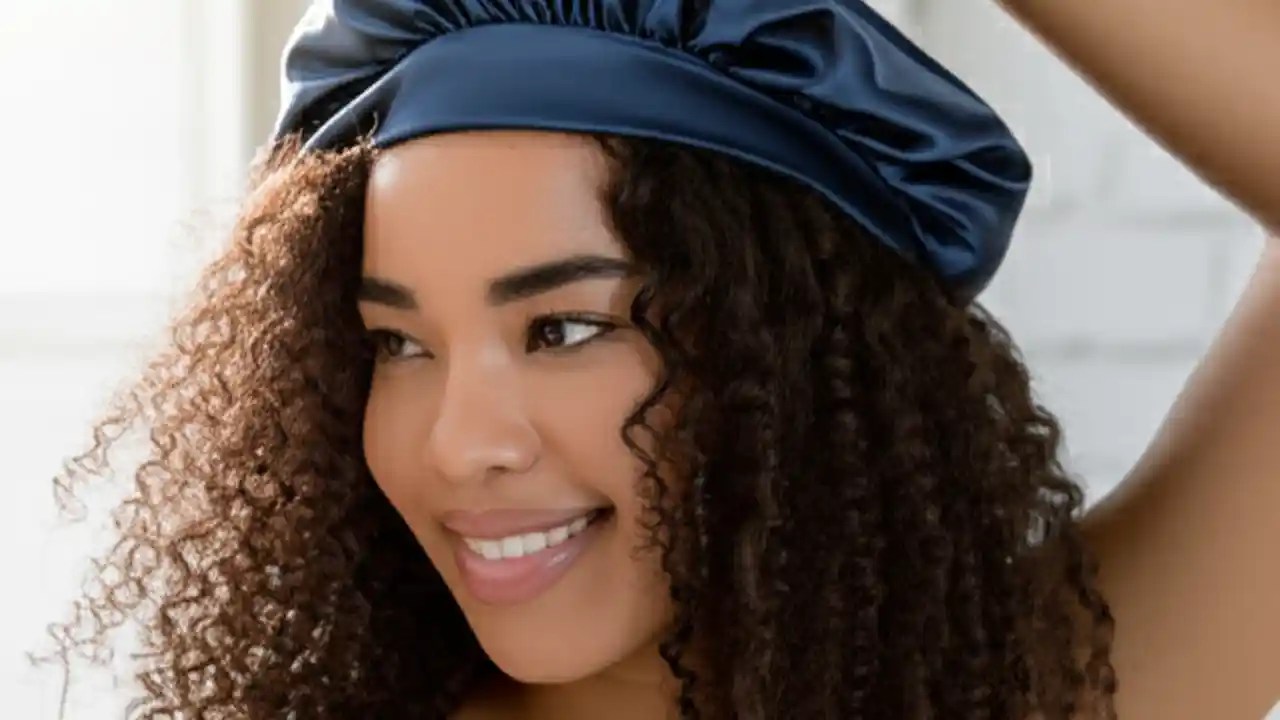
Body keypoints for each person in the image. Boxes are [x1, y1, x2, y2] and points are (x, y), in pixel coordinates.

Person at [39, 0, 1278, 718]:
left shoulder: (1023, 695)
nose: (460, 442)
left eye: (563, 329)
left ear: (788, 349)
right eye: (396, 343)